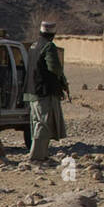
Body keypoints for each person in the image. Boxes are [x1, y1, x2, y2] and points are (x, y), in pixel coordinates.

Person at [23, 20, 68, 161]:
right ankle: (37, 156)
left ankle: (40, 154)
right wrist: (62, 80)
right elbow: (55, 68)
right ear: (53, 34)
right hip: (43, 91)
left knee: (36, 123)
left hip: (31, 91)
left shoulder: (33, 46)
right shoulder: (49, 47)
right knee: (44, 124)